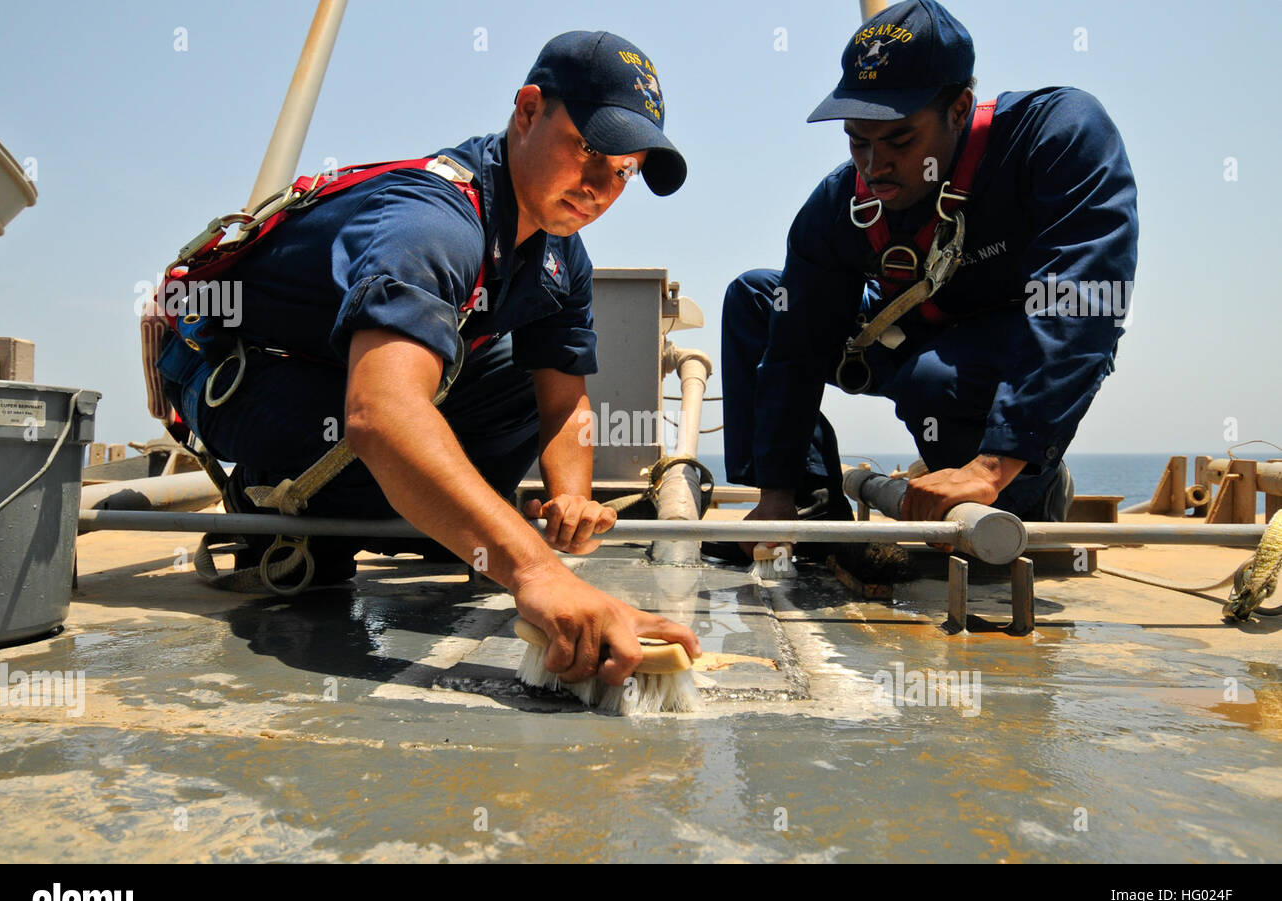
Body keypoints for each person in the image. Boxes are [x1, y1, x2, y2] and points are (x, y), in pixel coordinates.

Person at [155, 30, 700, 686]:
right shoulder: (434, 223)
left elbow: (563, 400)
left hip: (338, 374)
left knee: (514, 374)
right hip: (246, 375)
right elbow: (380, 414)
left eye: (623, 171)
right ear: (527, 111)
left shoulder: (560, 256)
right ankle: (282, 510)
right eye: (588, 148)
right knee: (390, 420)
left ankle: (438, 520)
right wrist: (535, 570)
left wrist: (572, 499)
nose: (599, 187)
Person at [719, 0, 1138, 556]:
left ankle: (1027, 487)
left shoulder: (1057, 136)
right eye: (857, 140)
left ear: (960, 108)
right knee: (757, 298)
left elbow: (1080, 301)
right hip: (906, 329)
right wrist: (776, 493)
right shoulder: (838, 206)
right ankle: (810, 502)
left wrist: (993, 465)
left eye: (898, 141)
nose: (873, 166)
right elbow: (796, 348)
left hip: (1006, 350)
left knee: (932, 380)